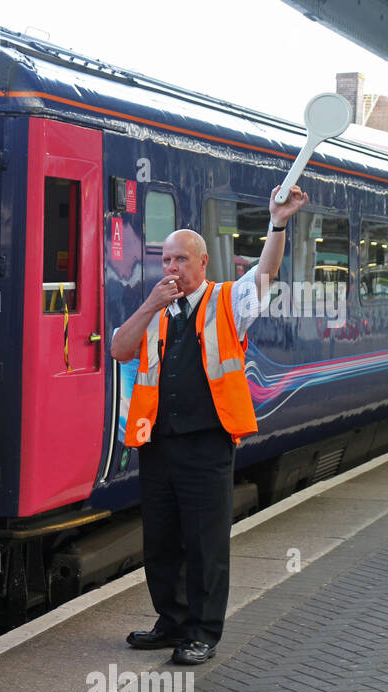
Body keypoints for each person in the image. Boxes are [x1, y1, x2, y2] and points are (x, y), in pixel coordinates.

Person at [111, 184, 308, 664]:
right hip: (158, 444)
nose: (171, 267)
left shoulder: (228, 302)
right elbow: (119, 348)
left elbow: (266, 273)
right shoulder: (154, 310)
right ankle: (171, 621)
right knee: (160, 540)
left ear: (203, 264)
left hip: (208, 444)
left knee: (205, 543)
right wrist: (148, 306)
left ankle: (202, 632)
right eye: (166, 260)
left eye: (181, 259)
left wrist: (277, 223)